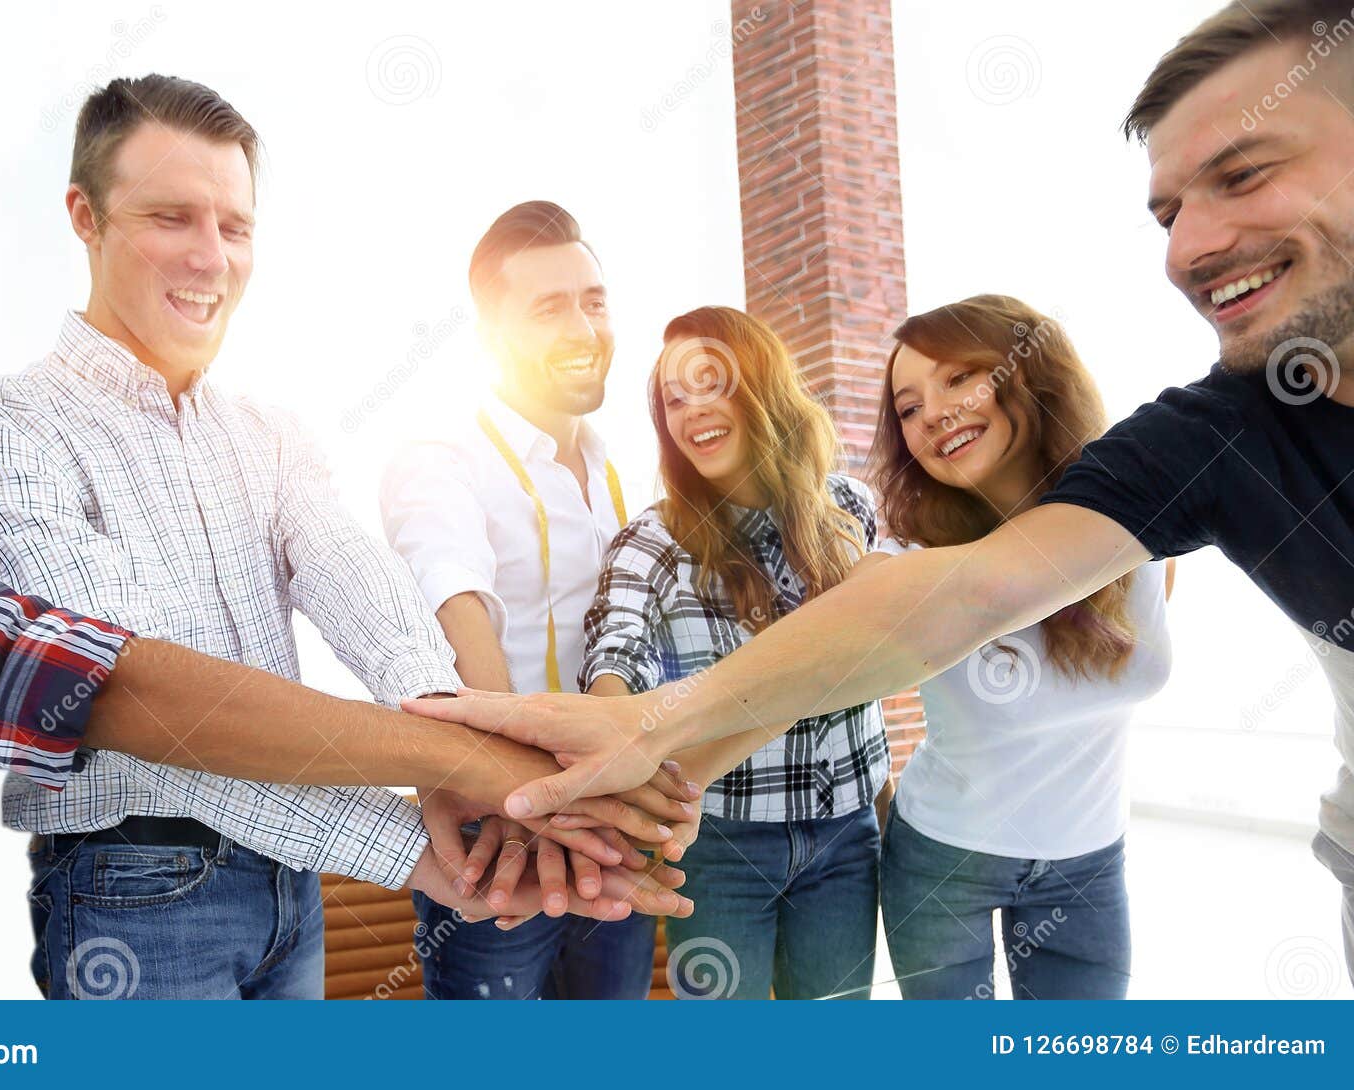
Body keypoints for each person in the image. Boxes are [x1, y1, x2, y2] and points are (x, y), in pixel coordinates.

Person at [404, 0, 1354, 987]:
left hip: (925, 841)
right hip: (800, 845)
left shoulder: (864, 513)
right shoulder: (1203, 444)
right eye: (1166, 211)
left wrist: (655, 739)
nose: (1185, 247)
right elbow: (903, 617)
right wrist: (645, 732)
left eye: (1244, 173)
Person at [0, 0, 686, 1000]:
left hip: (285, 887)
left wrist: (469, 758)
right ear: (84, 216)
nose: (210, 257)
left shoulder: (267, 433)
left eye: (233, 225)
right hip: (138, 891)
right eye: (170, 218)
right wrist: (435, 826)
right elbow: (131, 701)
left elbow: (358, 582)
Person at [379, 202, 689, 999]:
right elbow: (456, 604)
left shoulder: (622, 470)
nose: (584, 327)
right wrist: (518, 790)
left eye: (594, 300)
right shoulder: (440, 454)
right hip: (497, 823)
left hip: (609, 823)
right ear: (488, 335)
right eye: (550, 307)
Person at [867, 295, 1174, 999]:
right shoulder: (906, 557)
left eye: (957, 379)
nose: (933, 414)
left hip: (1091, 859)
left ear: (1029, 375)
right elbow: (826, 653)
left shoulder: (1144, 524)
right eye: (908, 407)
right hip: (944, 857)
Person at [582, 306, 889, 999]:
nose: (692, 412)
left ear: (762, 387)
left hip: (847, 835)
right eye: (673, 400)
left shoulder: (850, 509)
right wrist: (612, 728)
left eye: (711, 383)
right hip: (719, 849)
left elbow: (884, 657)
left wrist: (885, 803)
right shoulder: (653, 543)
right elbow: (615, 656)